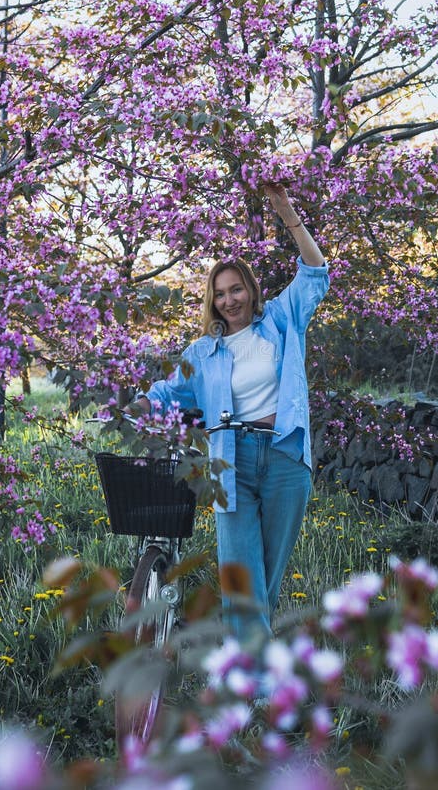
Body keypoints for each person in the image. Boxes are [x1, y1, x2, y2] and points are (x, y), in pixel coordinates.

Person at [128, 184, 329, 643]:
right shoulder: (203, 351)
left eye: (236, 288)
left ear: (251, 289)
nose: (229, 300)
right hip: (229, 460)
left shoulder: (282, 319)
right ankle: (253, 680)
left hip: (284, 455)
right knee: (240, 575)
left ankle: (253, 662)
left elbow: (315, 271)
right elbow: (164, 391)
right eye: (220, 294)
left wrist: (287, 212)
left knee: (267, 576)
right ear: (212, 301)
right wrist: (130, 407)